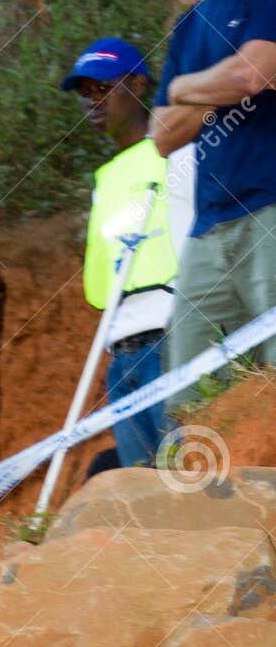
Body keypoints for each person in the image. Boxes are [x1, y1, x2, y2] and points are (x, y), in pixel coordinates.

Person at [150, 0, 276, 387]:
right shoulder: (187, 24)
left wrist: (185, 90)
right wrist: (216, 89)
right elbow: (160, 135)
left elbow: (254, 72)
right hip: (208, 230)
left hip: (270, 208)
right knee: (190, 386)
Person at [62, 38, 194, 466]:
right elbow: (101, 286)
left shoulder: (179, 153)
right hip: (122, 356)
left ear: (137, 85)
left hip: (173, 340)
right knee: (143, 493)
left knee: (186, 481)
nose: (91, 101)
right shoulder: (106, 179)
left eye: (102, 88)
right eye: (84, 92)